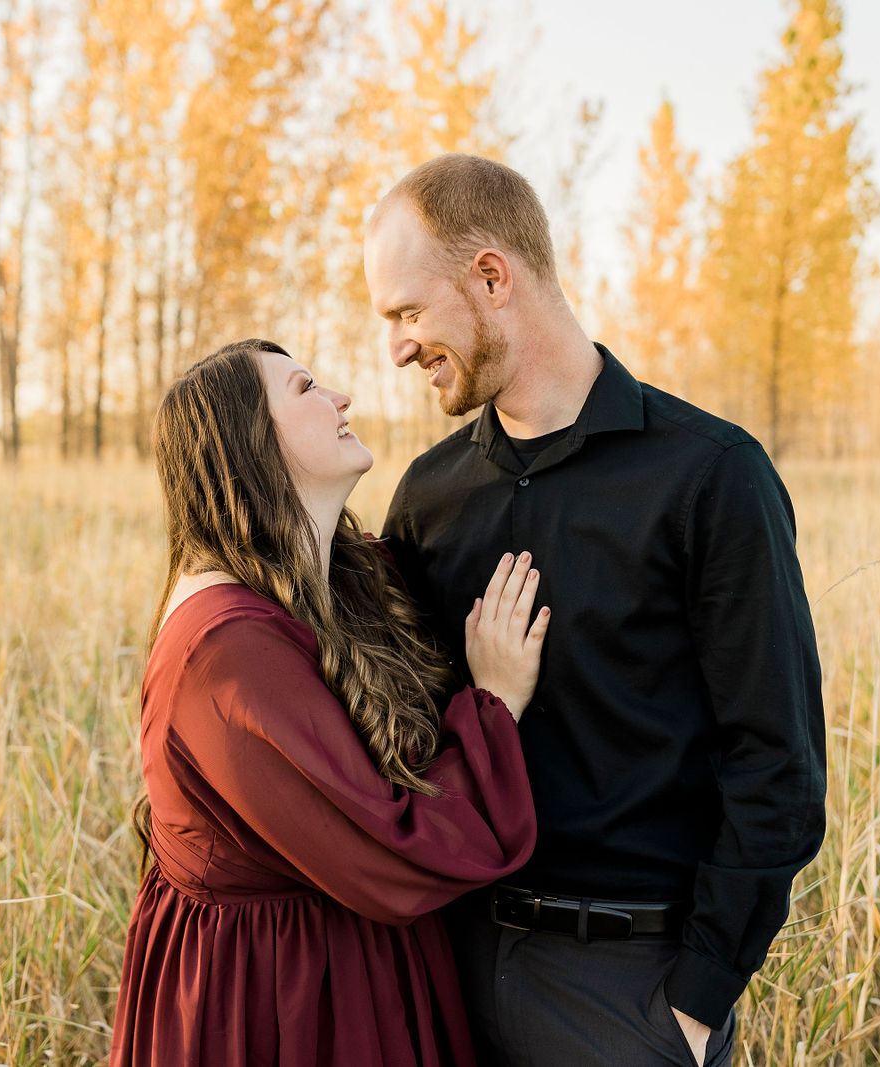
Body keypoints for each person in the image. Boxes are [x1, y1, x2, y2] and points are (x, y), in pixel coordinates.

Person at [364, 154, 827, 1067]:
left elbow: (778, 760)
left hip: (625, 991)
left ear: (492, 277)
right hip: (451, 969)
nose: (399, 349)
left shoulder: (709, 476)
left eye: (408, 313)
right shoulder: (428, 496)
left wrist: (695, 1001)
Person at [109, 338, 551, 1067]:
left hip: (341, 972)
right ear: (250, 443)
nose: (340, 397)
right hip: (276, 1005)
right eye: (306, 388)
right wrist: (495, 698)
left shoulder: (335, 577)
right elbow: (392, 851)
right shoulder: (226, 652)